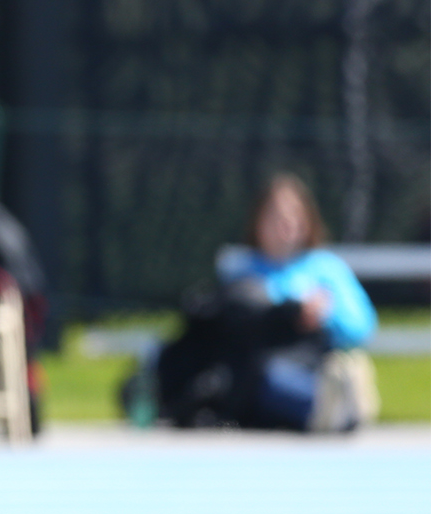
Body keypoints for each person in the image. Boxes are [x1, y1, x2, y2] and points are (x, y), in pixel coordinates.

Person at [132, 172, 379, 431]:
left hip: (313, 361)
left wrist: (325, 315)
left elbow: (361, 326)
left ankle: (333, 400)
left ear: (308, 220)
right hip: (257, 370)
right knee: (261, 378)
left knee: (290, 378)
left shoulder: (326, 268)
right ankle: (322, 409)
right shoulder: (242, 270)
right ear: (257, 222)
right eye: (275, 216)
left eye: (293, 215)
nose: (285, 224)